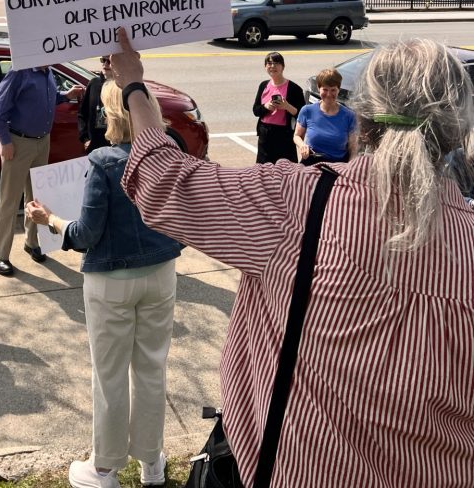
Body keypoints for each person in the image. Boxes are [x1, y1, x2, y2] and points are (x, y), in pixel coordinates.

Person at [111, 30, 474, 488]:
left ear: (360, 117)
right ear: (457, 131)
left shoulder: (296, 202)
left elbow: (162, 179)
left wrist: (133, 85)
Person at [25, 79, 182, 488]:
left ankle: (105, 469)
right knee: (151, 369)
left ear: (111, 114)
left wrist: (51, 221)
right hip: (161, 272)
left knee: (110, 374)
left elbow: (86, 233)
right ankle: (151, 464)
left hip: (111, 280)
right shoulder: (171, 153)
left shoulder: (104, 160)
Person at [0, 66, 83, 276]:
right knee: (9, 200)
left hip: (43, 141)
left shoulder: (47, 72)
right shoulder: (19, 72)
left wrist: (65, 96)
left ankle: (31, 242)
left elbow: (43, 100)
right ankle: (1, 255)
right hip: (18, 142)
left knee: (36, 197)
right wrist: (5, 141)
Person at [293, 67, 357, 165]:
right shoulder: (307, 110)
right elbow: (297, 136)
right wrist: (302, 145)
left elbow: (353, 147)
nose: (329, 94)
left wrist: (350, 167)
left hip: (338, 166)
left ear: (339, 89)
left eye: (333, 90)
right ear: (318, 88)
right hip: (311, 162)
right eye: (325, 89)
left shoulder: (349, 116)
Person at [252, 52, 305, 163]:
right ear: (265, 66)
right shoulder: (263, 85)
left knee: (286, 171)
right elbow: (256, 110)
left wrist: (287, 106)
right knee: (264, 170)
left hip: (284, 135)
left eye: (276, 63)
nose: (272, 66)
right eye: (269, 63)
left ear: (283, 66)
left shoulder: (294, 88)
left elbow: (302, 115)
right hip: (265, 134)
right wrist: (266, 107)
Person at [77, 56, 114, 151]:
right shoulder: (94, 83)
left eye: (109, 61)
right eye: (103, 60)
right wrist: (85, 139)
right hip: (94, 148)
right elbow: (82, 114)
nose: (105, 64)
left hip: (117, 148)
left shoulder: (123, 87)